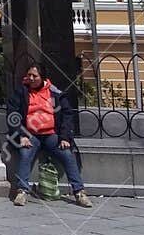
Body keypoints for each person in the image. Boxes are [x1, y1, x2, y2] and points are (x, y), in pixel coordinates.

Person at [6, 61, 91, 207]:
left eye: (35, 76)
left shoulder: (54, 93)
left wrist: (64, 137)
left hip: (51, 134)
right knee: (25, 154)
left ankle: (79, 191)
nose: (31, 79)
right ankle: (22, 191)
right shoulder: (22, 92)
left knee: (67, 155)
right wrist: (21, 135)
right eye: (29, 75)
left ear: (42, 77)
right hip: (30, 134)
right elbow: (13, 114)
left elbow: (66, 114)